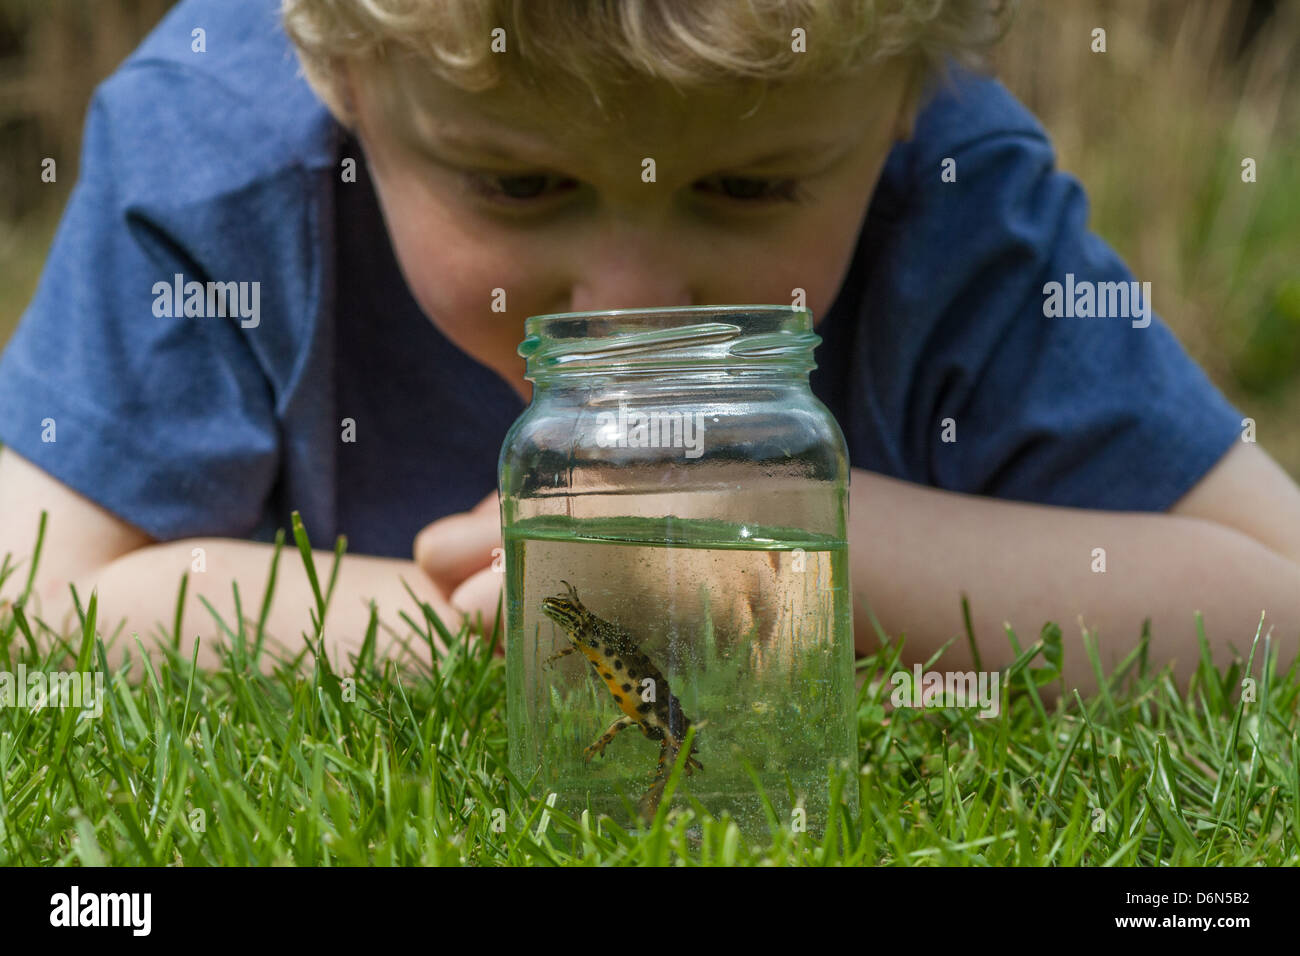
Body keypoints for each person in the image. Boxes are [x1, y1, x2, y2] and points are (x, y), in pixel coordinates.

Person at [1, 0, 1297, 691]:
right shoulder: (210, 164)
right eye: (516, 188)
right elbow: (37, 600)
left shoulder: (958, 203)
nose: (628, 308)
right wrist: (528, 621)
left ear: (907, 100)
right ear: (341, 75)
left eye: (746, 192)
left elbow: (1277, 608)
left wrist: (802, 550)